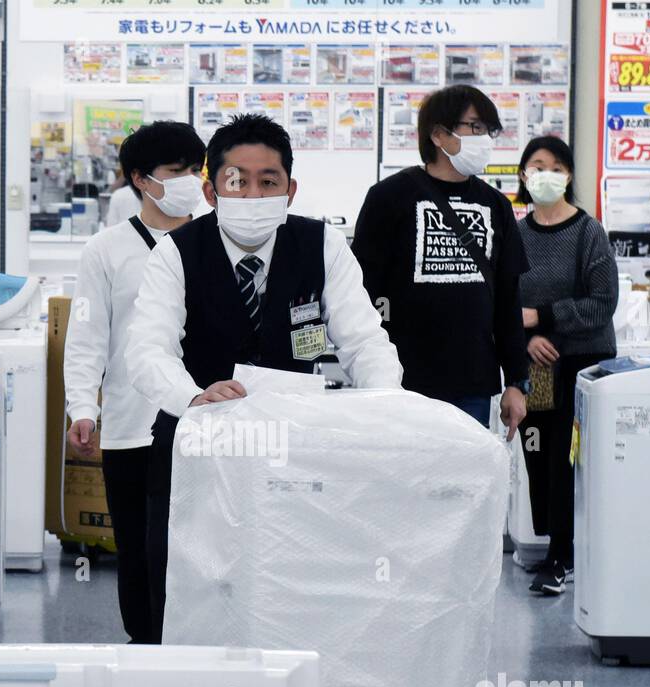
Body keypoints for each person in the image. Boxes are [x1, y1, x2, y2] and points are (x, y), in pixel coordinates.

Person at [127, 113, 403, 642]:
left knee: (286, 584)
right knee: (186, 580)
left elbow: (366, 340)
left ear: (290, 189)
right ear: (211, 190)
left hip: (290, 448)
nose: (252, 194)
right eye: (237, 181)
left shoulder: (323, 246)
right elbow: (147, 350)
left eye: (268, 181)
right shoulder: (176, 252)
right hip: (196, 444)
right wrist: (193, 396)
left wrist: (384, 407)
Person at [65, 120, 207, 642]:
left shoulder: (215, 240)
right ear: (141, 180)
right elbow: (86, 336)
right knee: (140, 548)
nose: (191, 180)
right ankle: (144, 648)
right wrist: (83, 407)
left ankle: (194, 647)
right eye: (177, 171)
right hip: (130, 425)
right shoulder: (105, 251)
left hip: (205, 424)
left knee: (198, 548)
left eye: (197, 169)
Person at [351, 85, 530, 436]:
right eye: (474, 128)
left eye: (488, 131)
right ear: (438, 134)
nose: (484, 139)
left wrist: (516, 381)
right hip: (402, 380)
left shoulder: (496, 205)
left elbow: (508, 299)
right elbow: (360, 290)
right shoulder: (390, 197)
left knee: (463, 485)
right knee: (404, 481)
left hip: (473, 381)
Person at [514, 135, 618, 596]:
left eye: (556, 166)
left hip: (583, 363)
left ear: (570, 176)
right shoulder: (515, 236)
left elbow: (603, 303)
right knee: (540, 457)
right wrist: (529, 336)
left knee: (571, 458)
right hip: (536, 365)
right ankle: (551, 549)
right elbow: (504, 306)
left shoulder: (588, 232)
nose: (546, 175)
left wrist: (543, 318)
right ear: (523, 175)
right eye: (537, 166)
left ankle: (565, 555)